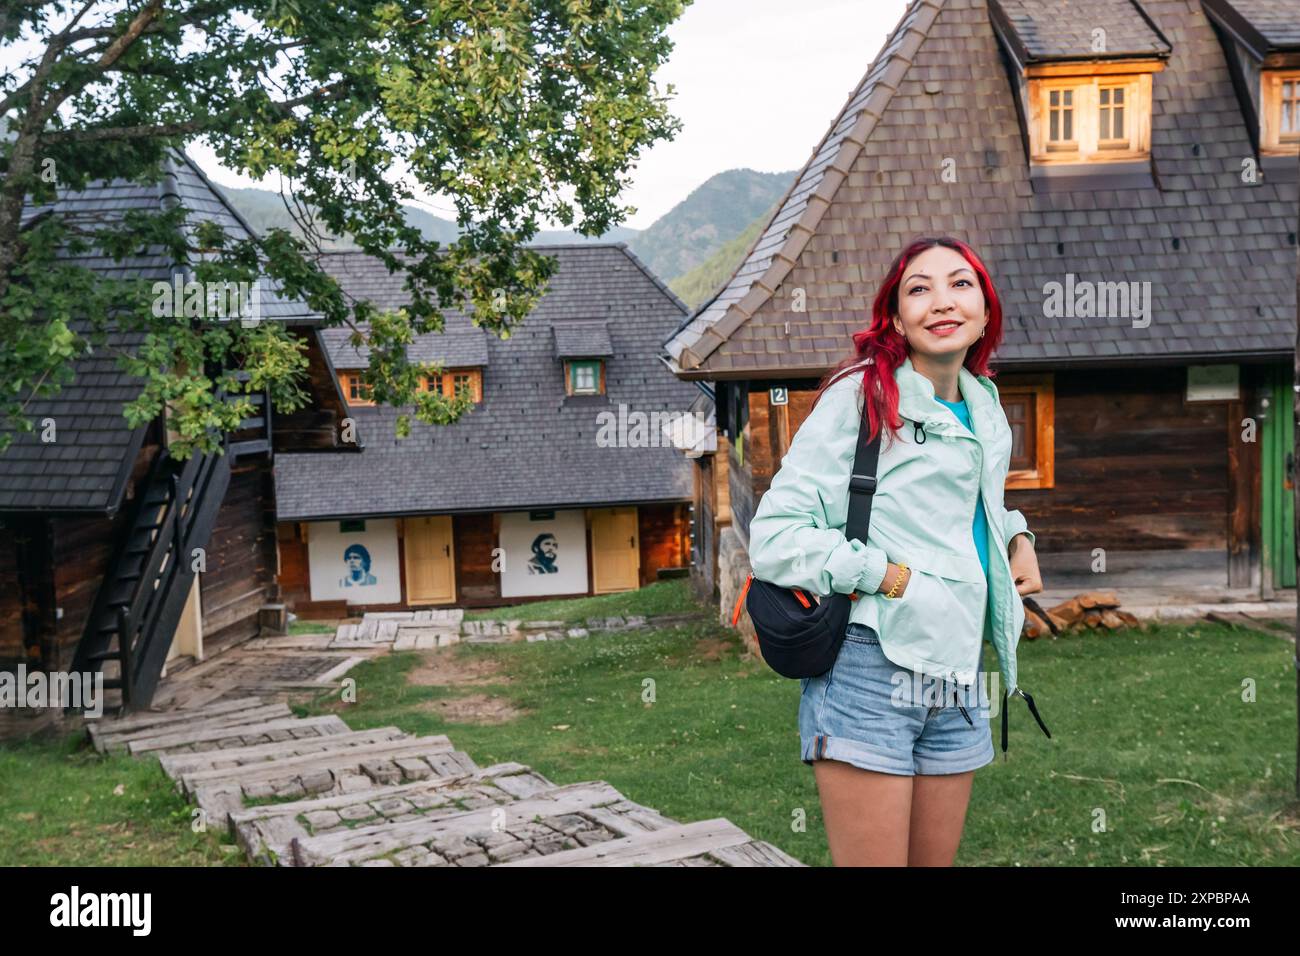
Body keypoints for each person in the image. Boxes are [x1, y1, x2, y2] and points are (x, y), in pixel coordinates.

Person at [748, 236, 1045, 867]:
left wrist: (1017, 536)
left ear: (986, 311)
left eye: (961, 284)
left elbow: (968, 501)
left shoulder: (984, 405)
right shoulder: (861, 397)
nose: (942, 301)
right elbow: (775, 536)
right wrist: (890, 577)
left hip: (959, 671)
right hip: (870, 664)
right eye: (919, 288)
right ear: (897, 316)